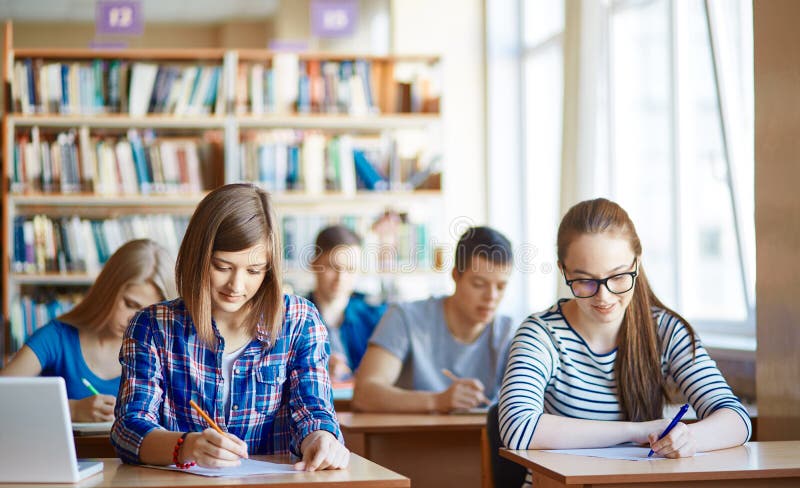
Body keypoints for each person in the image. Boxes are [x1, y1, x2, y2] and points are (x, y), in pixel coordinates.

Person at [499, 198, 750, 486]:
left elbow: (737, 420)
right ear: (564, 271)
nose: (603, 297)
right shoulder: (541, 334)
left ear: (636, 262)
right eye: (585, 280)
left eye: (617, 277)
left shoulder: (665, 331)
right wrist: (637, 431)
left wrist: (689, 438)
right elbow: (517, 429)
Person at [111, 183, 349, 472]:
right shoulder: (152, 327)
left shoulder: (300, 321)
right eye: (222, 267)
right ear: (197, 259)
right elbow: (129, 428)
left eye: (253, 270)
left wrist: (321, 439)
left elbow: (313, 411)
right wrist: (186, 446)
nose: (236, 286)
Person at [0, 238, 175, 422]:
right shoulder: (57, 337)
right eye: (130, 304)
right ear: (107, 290)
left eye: (148, 312)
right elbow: (4, 396)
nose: (136, 320)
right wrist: (72, 410)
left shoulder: (163, 355)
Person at [353, 226, 516, 413]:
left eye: (501, 287)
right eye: (479, 284)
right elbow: (364, 394)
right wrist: (437, 401)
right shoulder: (405, 318)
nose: (491, 296)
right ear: (455, 276)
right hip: (408, 440)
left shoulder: (509, 333)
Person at [307, 225, 386, 381]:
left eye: (350, 269)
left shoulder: (376, 317)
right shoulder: (292, 318)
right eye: (332, 267)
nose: (340, 278)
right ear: (314, 264)